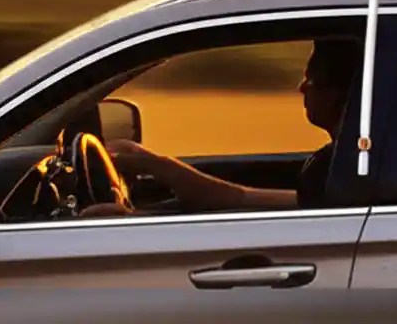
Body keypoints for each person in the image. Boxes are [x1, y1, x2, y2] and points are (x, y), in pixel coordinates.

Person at [101, 38, 359, 213]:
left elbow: (235, 199)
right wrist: (147, 159)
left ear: (343, 92)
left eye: (312, 78)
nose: (301, 87)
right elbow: (241, 198)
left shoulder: (346, 169)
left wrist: (153, 165)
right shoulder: (350, 162)